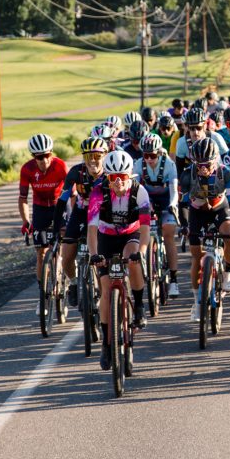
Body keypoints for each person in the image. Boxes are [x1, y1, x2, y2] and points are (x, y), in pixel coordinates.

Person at [87, 151, 152, 369]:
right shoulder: (98, 193)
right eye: (112, 178)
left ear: (129, 176)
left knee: (132, 259)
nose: (117, 182)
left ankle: (140, 305)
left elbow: (145, 230)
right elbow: (92, 229)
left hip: (131, 234)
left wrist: (141, 252)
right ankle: (106, 344)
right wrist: (94, 254)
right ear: (107, 178)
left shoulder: (139, 192)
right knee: (106, 290)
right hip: (106, 237)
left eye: (122, 177)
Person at [180, 138, 230, 320]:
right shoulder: (188, 174)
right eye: (199, 164)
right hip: (198, 211)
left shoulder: (225, 173)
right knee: (196, 254)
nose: (203, 168)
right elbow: (183, 204)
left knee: (228, 233)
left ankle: (228, 270)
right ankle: (197, 301)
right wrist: (184, 226)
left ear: (216, 159)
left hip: (220, 208)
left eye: (207, 163)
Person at [19, 134, 68, 316]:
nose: (44, 160)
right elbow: (23, 199)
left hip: (59, 206)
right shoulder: (27, 170)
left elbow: (71, 192)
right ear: (34, 157)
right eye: (39, 157)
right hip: (40, 209)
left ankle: (62, 274)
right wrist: (26, 221)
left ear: (51, 154)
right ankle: (43, 294)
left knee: (62, 240)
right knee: (41, 252)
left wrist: (71, 216)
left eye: (47, 155)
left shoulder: (60, 166)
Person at [55, 136, 108, 308]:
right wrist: (56, 226)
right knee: (67, 256)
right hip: (81, 211)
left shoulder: (110, 173)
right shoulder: (76, 172)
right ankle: (74, 282)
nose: (93, 161)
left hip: (103, 214)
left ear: (105, 156)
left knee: (102, 257)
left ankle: (105, 298)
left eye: (97, 156)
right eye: (88, 157)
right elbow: (62, 200)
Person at [133, 133, 180, 298]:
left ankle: (174, 279)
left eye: (152, 155)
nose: (149, 159)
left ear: (159, 153)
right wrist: (144, 205)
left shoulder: (169, 165)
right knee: (142, 230)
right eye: (145, 155)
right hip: (148, 198)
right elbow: (136, 188)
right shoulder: (138, 165)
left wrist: (173, 204)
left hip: (166, 199)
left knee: (168, 232)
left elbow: (174, 190)